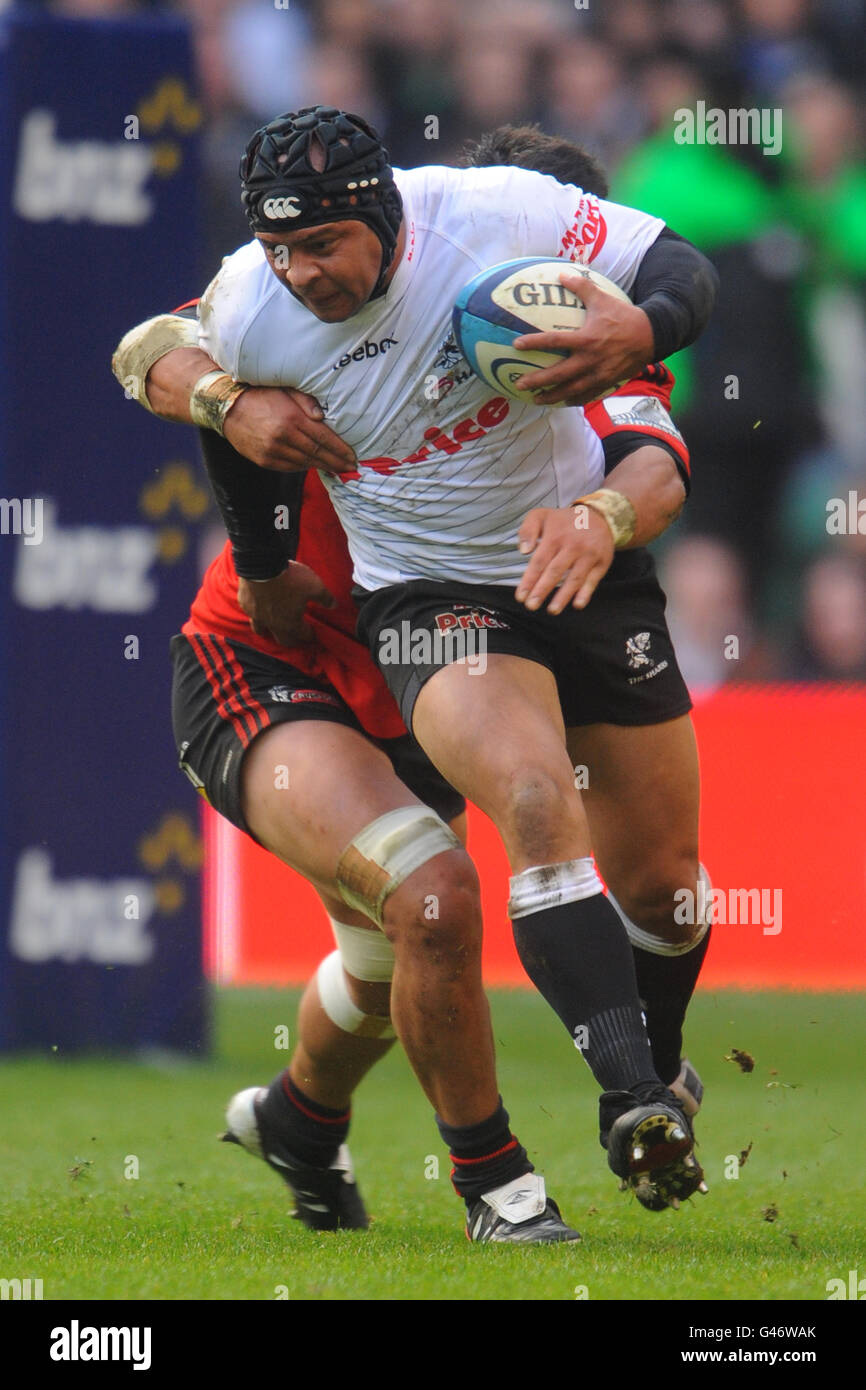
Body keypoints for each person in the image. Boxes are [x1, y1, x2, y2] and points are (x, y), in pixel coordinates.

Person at [115, 105, 718, 1215]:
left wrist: (594, 508)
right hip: (271, 654)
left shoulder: (570, 350)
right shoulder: (290, 293)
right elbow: (150, 347)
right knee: (432, 895)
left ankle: (299, 1120)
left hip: (434, 650)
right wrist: (231, 409)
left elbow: (653, 462)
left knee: (389, 952)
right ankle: (500, 1187)